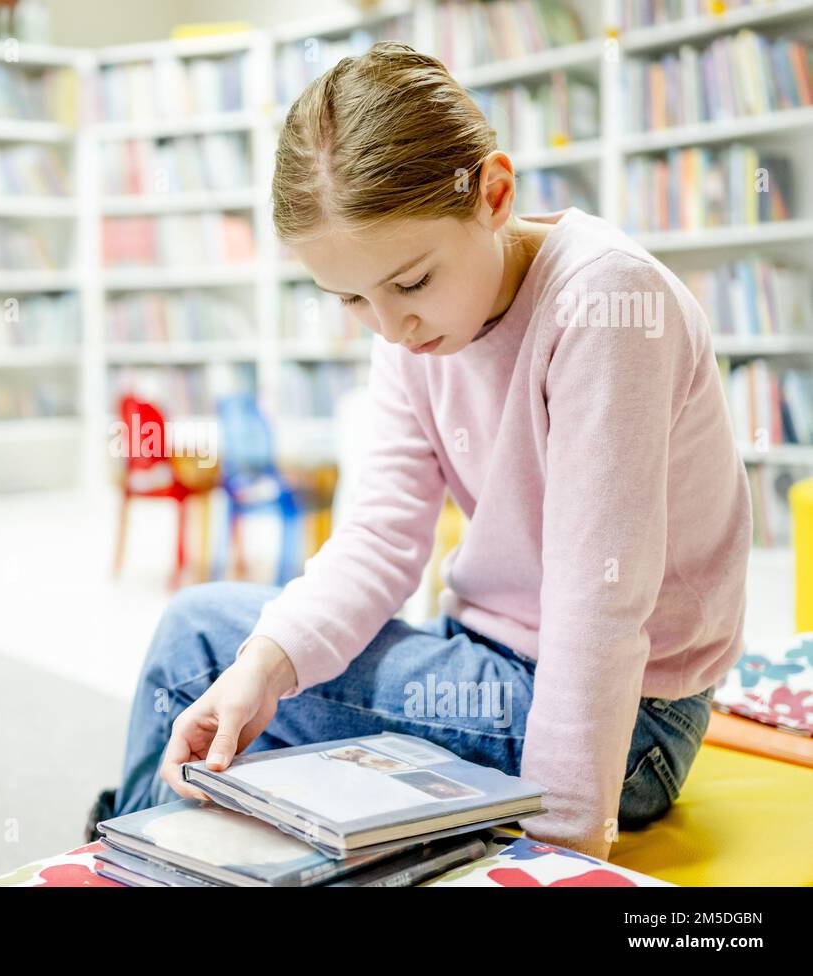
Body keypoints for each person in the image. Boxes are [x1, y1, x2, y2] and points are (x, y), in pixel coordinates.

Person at [88, 41, 749, 861]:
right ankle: (156, 855)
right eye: (352, 299)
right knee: (234, 656)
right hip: (490, 665)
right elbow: (378, 540)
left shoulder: (607, 303)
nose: (389, 325)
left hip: (631, 726)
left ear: (495, 194)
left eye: (409, 284)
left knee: (194, 640)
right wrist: (265, 667)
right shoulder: (410, 329)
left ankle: (127, 865)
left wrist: (562, 851)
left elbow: (596, 605)